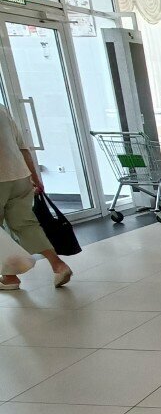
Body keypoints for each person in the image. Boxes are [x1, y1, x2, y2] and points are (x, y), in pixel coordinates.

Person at [0, 104, 72, 291]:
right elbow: (23, 148)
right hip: (19, 176)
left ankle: (10, 276)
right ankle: (58, 265)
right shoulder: (2, 109)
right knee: (26, 224)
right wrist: (35, 177)